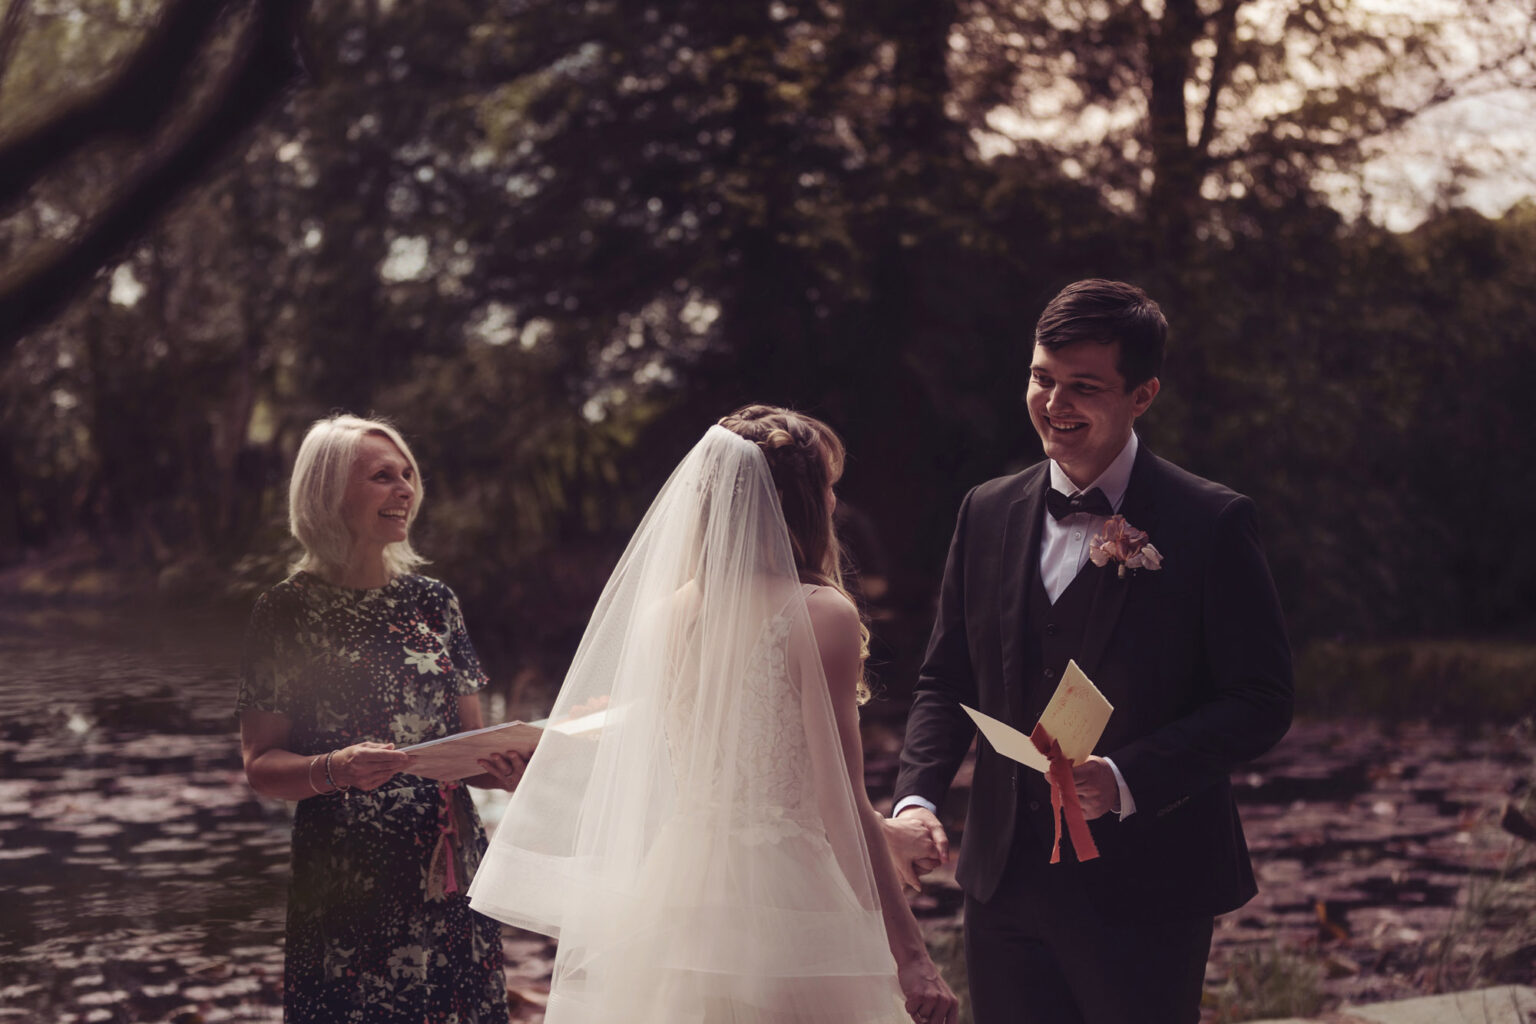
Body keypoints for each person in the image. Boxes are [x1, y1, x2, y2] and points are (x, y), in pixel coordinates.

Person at [468, 406, 958, 1024]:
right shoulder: (818, 614)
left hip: (679, 890)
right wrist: (911, 954)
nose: (836, 505)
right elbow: (839, 801)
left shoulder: (666, 616)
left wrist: (888, 836)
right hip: (789, 893)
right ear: (802, 504)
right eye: (830, 489)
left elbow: (686, 770)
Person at [887, 280, 1294, 1024]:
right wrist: (917, 798)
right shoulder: (985, 510)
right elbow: (946, 681)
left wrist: (1128, 776)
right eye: (1043, 378)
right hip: (1002, 884)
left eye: (1085, 387)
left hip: (1148, 883)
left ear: (1142, 395)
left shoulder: (1211, 521)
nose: (1054, 403)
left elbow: (1262, 700)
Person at [237, 413, 526, 1024]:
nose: (404, 491)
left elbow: (469, 745)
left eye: (408, 475)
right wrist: (334, 768)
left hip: (448, 866)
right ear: (327, 493)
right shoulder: (286, 611)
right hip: (346, 878)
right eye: (381, 477)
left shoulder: (436, 602)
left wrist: (504, 768)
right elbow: (261, 768)